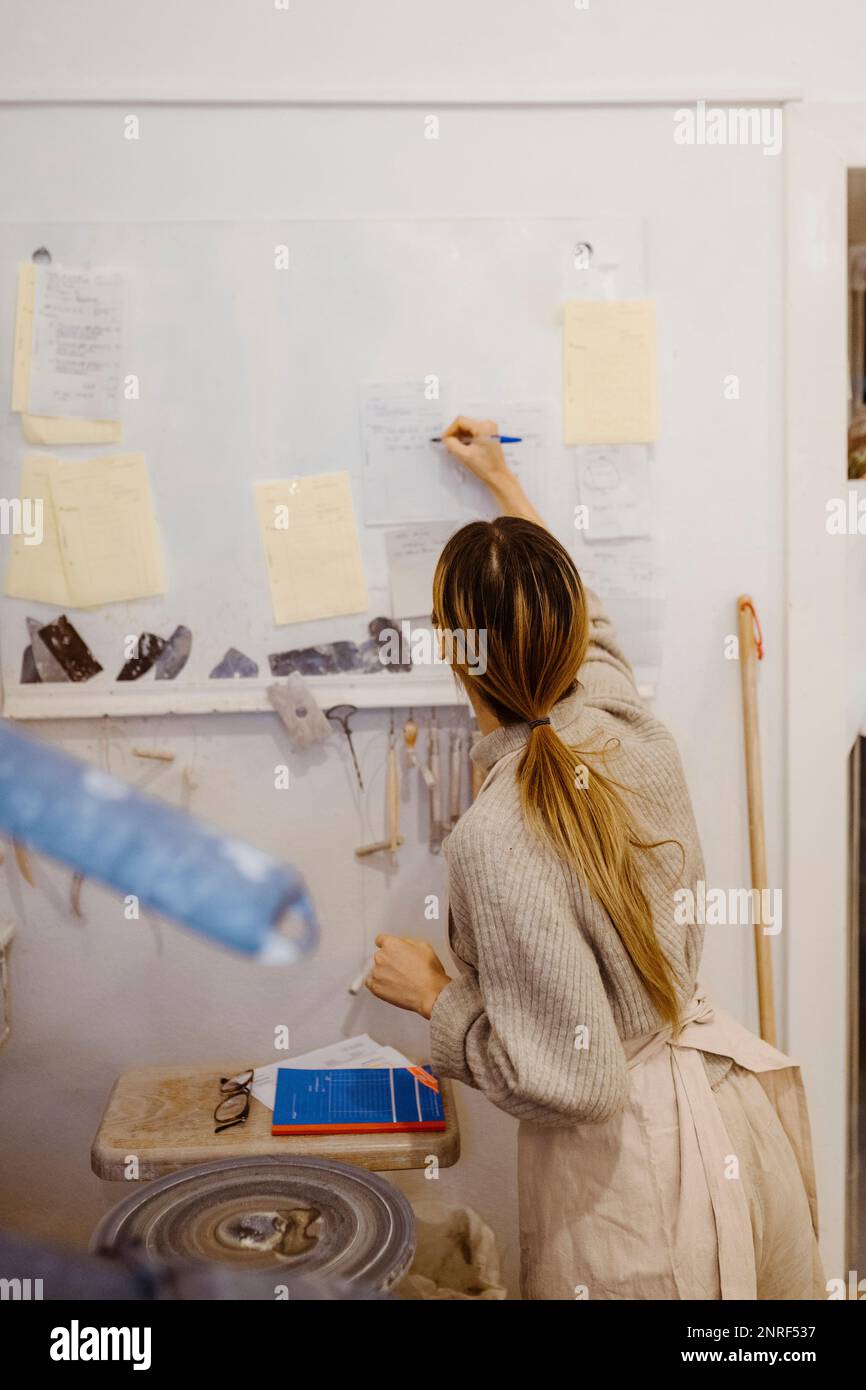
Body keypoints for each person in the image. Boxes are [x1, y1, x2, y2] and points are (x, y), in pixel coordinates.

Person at [367, 417, 823, 1301]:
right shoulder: (626, 721)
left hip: (636, 1194)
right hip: (729, 1124)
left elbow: (579, 1082)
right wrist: (505, 489)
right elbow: (590, 624)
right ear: (568, 634)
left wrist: (434, 997)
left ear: (458, 663)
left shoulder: (494, 839)